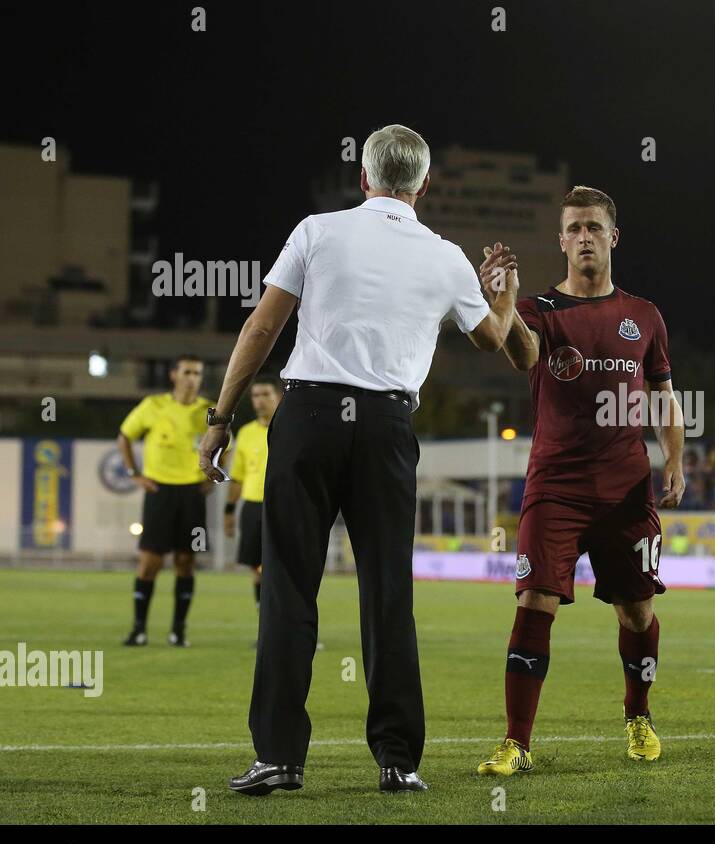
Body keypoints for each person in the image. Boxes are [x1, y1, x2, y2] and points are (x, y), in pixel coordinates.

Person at [198, 124, 520, 794]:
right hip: (386, 425)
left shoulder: (318, 231)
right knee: (388, 595)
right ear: (424, 185)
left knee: (288, 588)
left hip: (309, 415)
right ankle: (398, 761)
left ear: (364, 177)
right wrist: (504, 293)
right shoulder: (446, 256)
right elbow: (493, 340)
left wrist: (220, 417)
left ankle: (280, 758)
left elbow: (262, 327)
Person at [475, 186, 685, 776]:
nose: (584, 237)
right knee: (534, 600)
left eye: (594, 226)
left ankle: (638, 716)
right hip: (555, 488)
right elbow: (521, 355)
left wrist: (675, 460)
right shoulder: (542, 310)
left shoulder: (644, 316)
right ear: (561, 240)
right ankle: (517, 741)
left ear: (612, 237)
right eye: (574, 228)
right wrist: (508, 302)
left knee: (637, 613)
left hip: (625, 491)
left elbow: (667, 398)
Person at [117, 354, 213, 647]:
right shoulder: (153, 406)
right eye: (186, 372)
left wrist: (211, 477)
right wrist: (134, 473)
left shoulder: (208, 410)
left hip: (192, 493)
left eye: (197, 373)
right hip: (159, 491)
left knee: (186, 561)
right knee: (149, 562)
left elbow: (225, 445)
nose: (191, 378)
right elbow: (124, 436)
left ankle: (178, 632)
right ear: (173, 375)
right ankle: (138, 630)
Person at [224, 376, 280, 614]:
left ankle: (295, 628)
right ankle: (265, 626)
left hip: (284, 506)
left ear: (278, 397)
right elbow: (237, 476)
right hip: (252, 507)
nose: (260, 400)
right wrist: (229, 510)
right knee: (257, 566)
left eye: (266, 394)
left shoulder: (291, 428)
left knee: (285, 566)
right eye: (255, 395)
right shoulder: (246, 432)